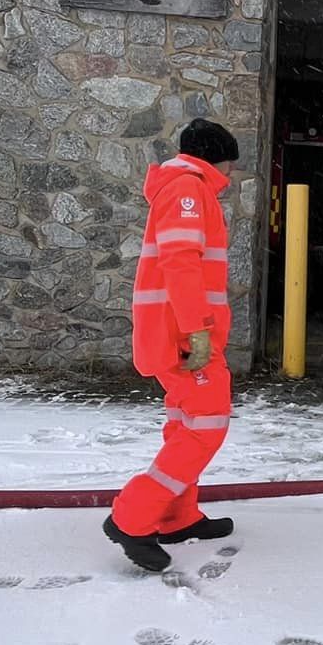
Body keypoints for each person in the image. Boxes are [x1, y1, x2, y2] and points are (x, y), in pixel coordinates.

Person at [104, 119, 242, 573]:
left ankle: (177, 517)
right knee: (206, 426)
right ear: (216, 157)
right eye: (231, 163)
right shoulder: (188, 189)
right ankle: (132, 518)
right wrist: (198, 331)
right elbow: (181, 264)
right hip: (186, 338)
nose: (233, 173)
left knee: (187, 425)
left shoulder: (182, 186)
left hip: (179, 333)